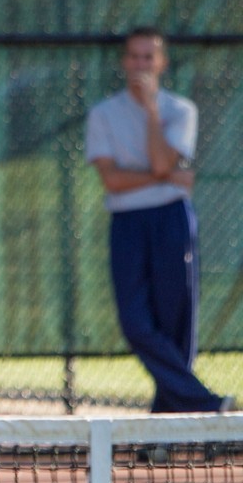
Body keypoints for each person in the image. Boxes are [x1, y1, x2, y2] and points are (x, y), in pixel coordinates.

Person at [85, 26, 233, 420]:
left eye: (148, 57)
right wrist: (163, 176)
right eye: (134, 57)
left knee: (175, 322)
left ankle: (162, 435)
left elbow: (162, 161)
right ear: (123, 62)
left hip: (172, 219)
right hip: (127, 223)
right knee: (136, 323)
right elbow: (114, 180)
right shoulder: (103, 114)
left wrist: (151, 112)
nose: (141, 65)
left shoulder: (181, 111)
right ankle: (205, 405)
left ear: (162, 63)